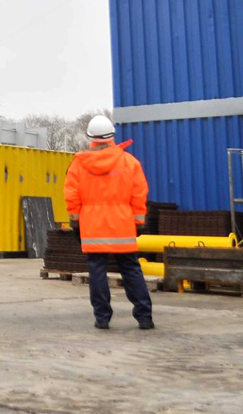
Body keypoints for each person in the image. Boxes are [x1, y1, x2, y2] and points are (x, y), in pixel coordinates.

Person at [63, 114, 154, 331]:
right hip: (122, 225)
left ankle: (102, 318)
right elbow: (139, 194)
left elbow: (72, 195)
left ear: (90, 137)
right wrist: (138, 220)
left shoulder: (79, 164)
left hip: (92, 226)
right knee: (131, 269)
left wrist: (75, 220)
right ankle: (144, 317)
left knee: (97, 271)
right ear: (112, 135)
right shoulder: (130, 163)